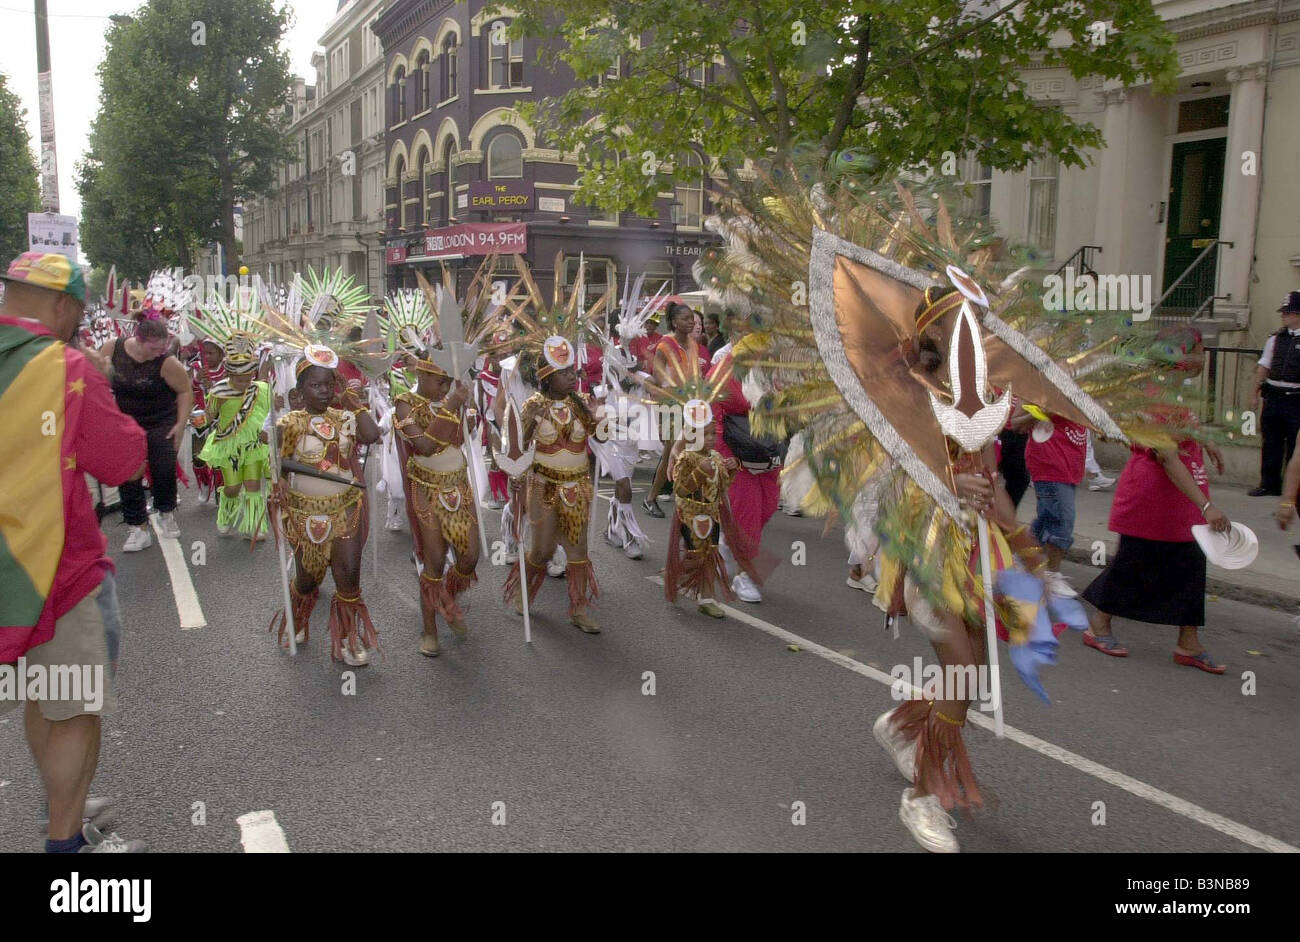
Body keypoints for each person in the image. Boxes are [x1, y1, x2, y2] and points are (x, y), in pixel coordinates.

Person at [0, 252, 148, 852]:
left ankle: (61, 815)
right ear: (63, 307)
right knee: (71, 708)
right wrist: (100, 379)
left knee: (43, 696)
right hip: (54, 574)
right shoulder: (64, 368)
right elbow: (122, 460)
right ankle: (67, 850)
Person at [1081, 331, 1231, 673]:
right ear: (1180, 356)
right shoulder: (1147, 398)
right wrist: (1207, 507)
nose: (1204, 356)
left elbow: (1184, 429)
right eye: (1199, 350)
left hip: (1182, 501)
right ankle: (1098, 625)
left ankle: (1188, 643)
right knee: (1133, 565)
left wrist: (1206, 442)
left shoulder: (1171, 392)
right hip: (1151, 503)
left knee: (1191, 566)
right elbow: (1165, 456)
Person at [271, 346, 383, 666]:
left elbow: (372, 434)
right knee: (309, 580)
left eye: (328, 385)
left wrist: (354, 403)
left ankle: (347, 640)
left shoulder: (345, 418)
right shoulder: (290, 423)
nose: (323, 392)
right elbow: (279, 467)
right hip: (306, 513)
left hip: (346, 508)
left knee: (348, 575)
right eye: (315, 385)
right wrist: (278, 488)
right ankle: (300, 614)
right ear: (300, 390)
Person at [387, 292, 481, 657]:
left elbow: (460, 441)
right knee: (435, 561)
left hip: (458, 487)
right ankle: (429, 630)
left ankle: (445, 599)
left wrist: (466, 410)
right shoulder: (404, 403)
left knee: (470, 558)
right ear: (421, 375)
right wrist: (452, 406)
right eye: (439, 381)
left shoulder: (451, 399)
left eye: (449, 381)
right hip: (426, 490)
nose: (445, 387)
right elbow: (424, 448)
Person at [103, 313, 192, 550]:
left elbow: (185, 391)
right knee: (128, 472)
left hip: (160, 420)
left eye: (162, 348)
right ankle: (137, 527)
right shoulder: (114, 348)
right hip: (125, 421)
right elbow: (96, 379)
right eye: (154, 348)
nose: (159, 352)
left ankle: (166, 511)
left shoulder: (167, 363)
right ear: (138, 339)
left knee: (163, 466)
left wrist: (180, 425)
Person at [191, 300, 273, 540]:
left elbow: (271, 418)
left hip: (254, 446)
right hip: (228, 446)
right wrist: (199, 416)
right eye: (237, 376)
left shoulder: (262, 389)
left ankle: (254, 527)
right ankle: (226, 514)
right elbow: (208, 418)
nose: (242, 381)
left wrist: (277, 409)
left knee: (253, 486)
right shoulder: (218, 391)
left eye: (247, 375)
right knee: (233, 488)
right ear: (228, 372)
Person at [643, 301, 710, 518]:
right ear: (673, 322)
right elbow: (659, 377)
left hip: (691, 403)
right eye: (685, 319)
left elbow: (695, 376)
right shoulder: (665, 344)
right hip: (671, 404)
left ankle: (691, 499)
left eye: (692, 319)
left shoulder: (693, 343)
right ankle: (650, 498)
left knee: (695, 450)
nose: (691, 322)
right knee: (670, 451)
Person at [1024, 410, 1088, 576]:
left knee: (1047, 521)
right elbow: (1017, 421)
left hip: (1069, 470)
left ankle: (1026, 558)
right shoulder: (1046, 390)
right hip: (1051, 468)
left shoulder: (1077, 392)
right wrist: (1045, 410)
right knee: (1062, 522)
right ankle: (1052, 575)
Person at [1249, 291, 1300, 496]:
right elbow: (1263, 366)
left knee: (1295, 445)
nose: (1283, 316)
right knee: (1271, 441)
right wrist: (1254, 393)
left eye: (1287, 312)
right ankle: (1269, 483)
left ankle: (1293, 487)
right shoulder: (1276, 338)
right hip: (1273, 396)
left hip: (1296, 399)